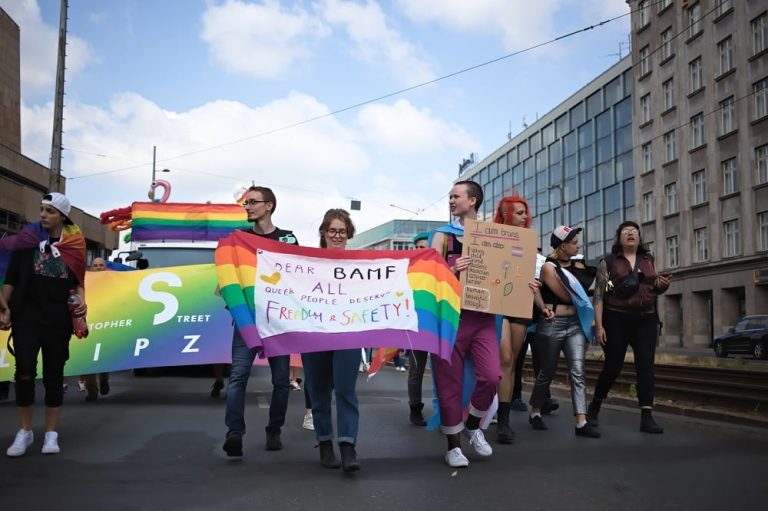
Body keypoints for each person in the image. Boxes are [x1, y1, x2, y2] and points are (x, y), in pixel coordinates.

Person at [2, 193, 87, 456]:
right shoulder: (27, 241)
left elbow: (77, 281)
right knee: (24, 370)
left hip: (58, 319)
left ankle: (51, 434)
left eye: (49, 211)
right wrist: (3, 308)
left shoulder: (75, 245)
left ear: (62, 216)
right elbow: (12, 277)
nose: (42, 215)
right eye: (41, 210)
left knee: (54, 375)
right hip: (26, 316)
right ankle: (25, 432)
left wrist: (81, 303)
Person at [222, 186, 298, 458]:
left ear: (269, 206)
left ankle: (274, 430)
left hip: (278, 321)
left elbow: (300, 277)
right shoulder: (238, 240)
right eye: (245, 203)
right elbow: (227, 276)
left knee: (280, 381)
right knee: (237, 378)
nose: (247, 207)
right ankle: (234, 433)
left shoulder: (288, 239)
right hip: (248, 322)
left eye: (252, 202)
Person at [430, 181, 500, 468]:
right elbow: (429, 277)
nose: (450, 201)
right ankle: (453, 447)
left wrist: (525, 285)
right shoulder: (442, 237)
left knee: (492, 376)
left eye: (455, 196)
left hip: (483, 318)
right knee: (449, 385)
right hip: (450, 318)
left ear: (473, 201)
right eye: (449, 196)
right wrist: (451, 269)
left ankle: (472, 424)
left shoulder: (494, 236)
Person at [587, 221, 671, 434]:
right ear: (619, 237)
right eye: (626, 232)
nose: (631, 234)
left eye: (635, 232)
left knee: (646, 366)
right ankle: (595, 406)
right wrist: (599, 325)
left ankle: (647, 416)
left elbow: (653, 289)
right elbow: (599, 295)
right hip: (616, 319)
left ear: (640, 237)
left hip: (646, 319)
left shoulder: (648, 260)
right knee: (613, 366)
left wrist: (662, 287)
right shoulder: (608, 262)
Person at [301, 208, 362, 472]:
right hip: (313, 334)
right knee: (318, 391)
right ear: (323, 233)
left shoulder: (361, 265)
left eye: (342, 231)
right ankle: (325, 444)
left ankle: (348, 446)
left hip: (348, 334)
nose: (337, 235)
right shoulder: (306, 263)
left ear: (349, 234)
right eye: (332, 230)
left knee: (346, 390)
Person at [527, 225, 599, 438]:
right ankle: (536, 412)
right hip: (552, 323)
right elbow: (569, 295)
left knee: (578, 370)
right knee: (547, 372)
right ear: (563, 245)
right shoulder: (549, 267)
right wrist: (582, 274)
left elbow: (592, 284)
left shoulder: (578, 265)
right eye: (574, 242)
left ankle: (581, 422)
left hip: (575, 323)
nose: (578, 245)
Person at [406, 232, 430, 426]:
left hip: (437, 324)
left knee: (444, 369)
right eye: (418, 248)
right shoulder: (407, 269)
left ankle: (446, 410)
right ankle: (415, 409)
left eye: (425, 247)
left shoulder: (441, 269)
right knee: (416, 369)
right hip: (415, 326)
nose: (421, 251)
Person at [81, 257, 110, 402]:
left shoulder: (114, 281)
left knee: (104, 356)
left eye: (101, 265)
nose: (98, 267)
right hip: (89, 324)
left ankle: (104, 378)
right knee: (88, 358)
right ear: (90, 268)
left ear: (105, 268)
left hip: (107, 324)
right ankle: (92, 391)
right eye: (95, 265)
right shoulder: (84, 281)